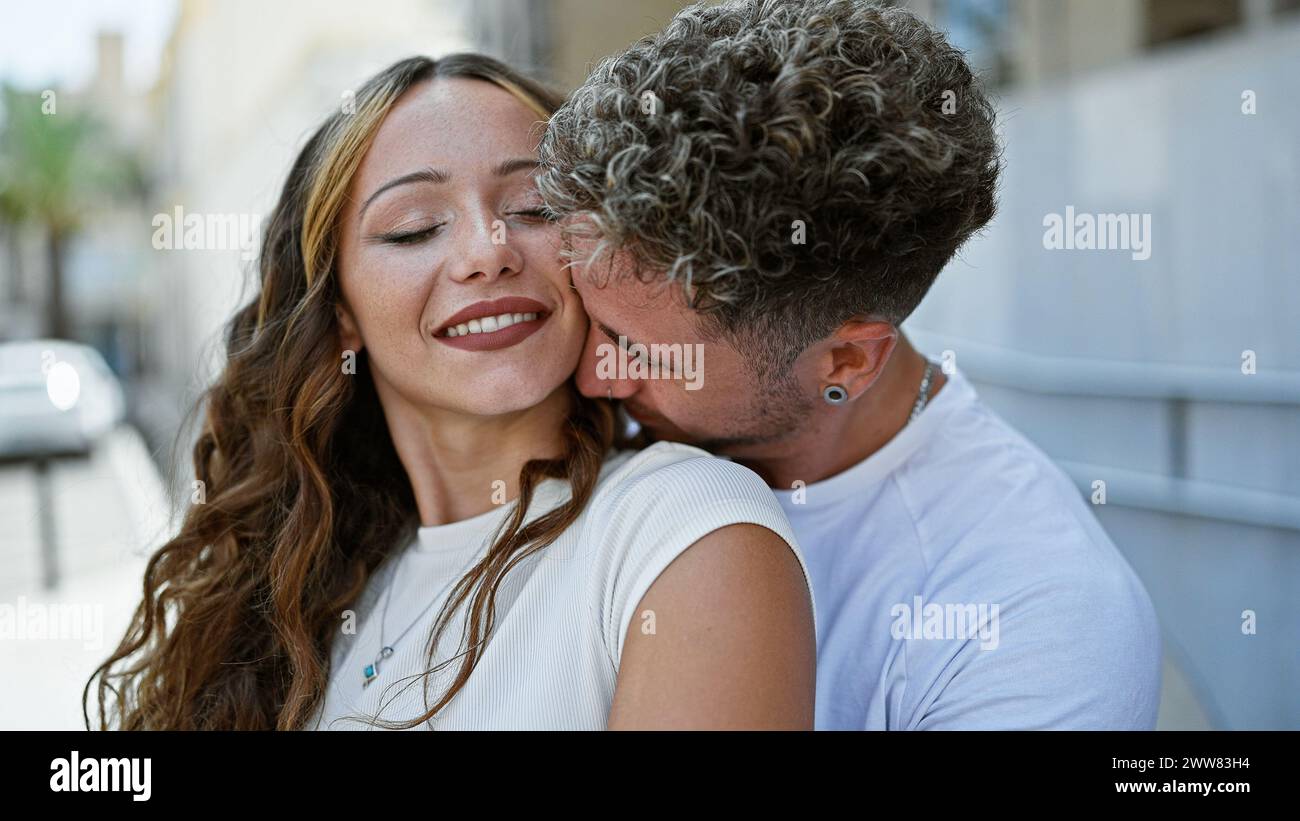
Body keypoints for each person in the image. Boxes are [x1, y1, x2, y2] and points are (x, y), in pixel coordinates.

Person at [86, 54, 816, 731]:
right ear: (340, 314)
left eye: (534, 206)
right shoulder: (330, 587)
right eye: (415, 229)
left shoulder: (683, 525)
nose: (488, 251)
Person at [537, 0, 1162, 729]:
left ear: (846, 360)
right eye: (588, 317)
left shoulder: (1031, 629)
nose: (591, 379)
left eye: (637, 351)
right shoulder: (588, 437)